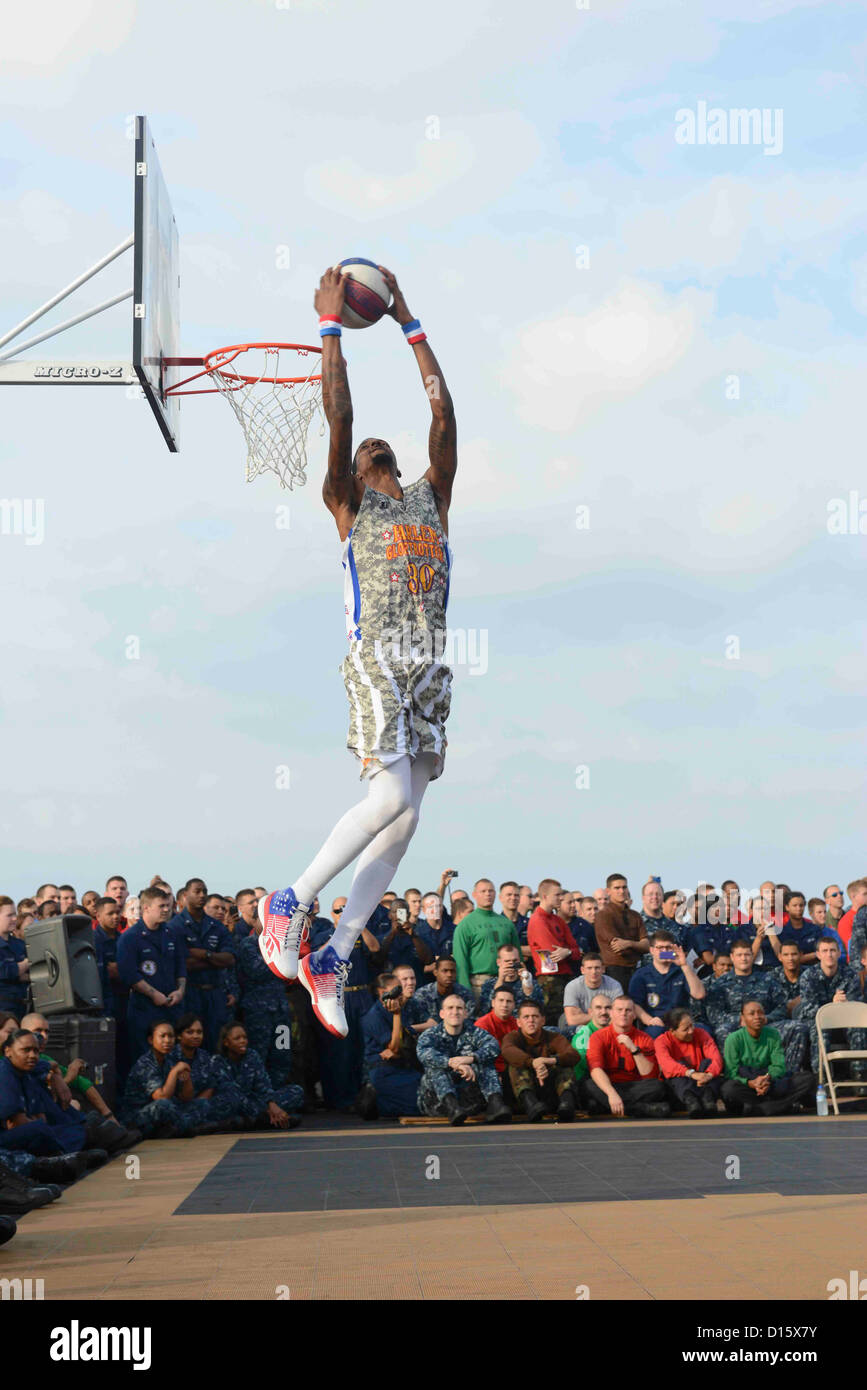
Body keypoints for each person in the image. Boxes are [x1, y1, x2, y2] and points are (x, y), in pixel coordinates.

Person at [256, 265, 458, 1042]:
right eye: (364, 443)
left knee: (405, 825)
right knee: (385, 803)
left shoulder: (428, 498)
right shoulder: (348, 500)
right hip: (375, 656)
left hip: (430, 672)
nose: (374, 441)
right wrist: (332, 325)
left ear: (399, 465)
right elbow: (338, 413)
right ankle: (291, 900)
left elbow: (444, 418)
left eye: (383, 444)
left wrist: (411, 322)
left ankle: (334, 953)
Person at [0, 1030, 110, 1158]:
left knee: (71, 1128)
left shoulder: (26, 1071)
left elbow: (41, 1116)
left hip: (30, 1127)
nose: (32, 1055)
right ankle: (66, 1154)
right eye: (25, 1050)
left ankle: (72, 1148)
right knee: (40, 1129)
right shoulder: (4, 1073)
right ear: (8, 1051)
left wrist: (56, 1077)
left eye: (36, 1051)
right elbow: (15, 1123)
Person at [705, 938, 808, 1071]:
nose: (743, 959)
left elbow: (782, 1006)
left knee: (798, 1028)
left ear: (752, 956)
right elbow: (714, 1014)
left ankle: (786, 1074)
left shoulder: (767, 979)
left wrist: (767, 1018)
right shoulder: (720, 984)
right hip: (738, 1028)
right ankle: (738, 1074)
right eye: (739, 955)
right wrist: (740, 1020)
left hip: (766, 1025)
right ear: (732, 957)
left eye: (747, 955)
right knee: (722, 1032)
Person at [416, 994, 510, 1124]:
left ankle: (496, 1105)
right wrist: (452, 1063)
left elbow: (493, 1046)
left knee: (485, 1064)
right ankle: (452, 1108)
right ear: (442, 1013)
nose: (455, 1012)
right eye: (450, 1008)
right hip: (438, 1104)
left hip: (468, 1101)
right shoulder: (430, 1035)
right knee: (436, 1068)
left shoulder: (473, 1031)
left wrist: (470, 1059)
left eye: (459, 1008)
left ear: (465, 1013)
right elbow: (424, 1053)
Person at [119, 1020, 223, 1138]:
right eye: (162, 1036)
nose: (167, 1041)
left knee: (202, 1103)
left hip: (165, 1113)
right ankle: (188, 1128)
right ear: (151, 1040)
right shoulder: (145, 1063)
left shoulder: (169, 1060)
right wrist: (174, 1072)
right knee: (164, 1105)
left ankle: (176, 1129)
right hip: (139, 1116)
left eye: (171, 1036)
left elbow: (186, 1097)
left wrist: (186, 1078)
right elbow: (162, 1097)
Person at [117, 886, 186, 1062]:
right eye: (161, 906)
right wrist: (153, 994)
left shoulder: (171, 934)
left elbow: (181, 967)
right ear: (146, 908)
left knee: (173, 1057)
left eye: (167, 906)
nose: (166, 910)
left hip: (172, 1006)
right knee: (144, 1057)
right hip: (144, 1008)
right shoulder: (130, 937)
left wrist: (180, 991)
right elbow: (128, 974)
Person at [168, 878, 237, 1052]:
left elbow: (229, 959)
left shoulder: (216, 926)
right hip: (190, 993)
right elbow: (183, 963)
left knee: (216, 1044)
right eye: (197, 891)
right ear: (185, 895)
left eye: (204, 891)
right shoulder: (175, 927)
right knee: (188, 1043)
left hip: (214, 994)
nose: (202, 895)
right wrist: (214, 960)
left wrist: (204, 954)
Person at [721, 1001, 815, 1117]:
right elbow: (731, 1073)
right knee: (728, 1089)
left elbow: (779, 1067)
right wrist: (751, 1083)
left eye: (760, 1013)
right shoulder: (733, 1039)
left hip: (769, 1082)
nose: (757, 1017)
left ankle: (764, 1108)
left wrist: (766, 1079)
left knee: (807, 1078)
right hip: (748, 1083)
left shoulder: (773, 1034)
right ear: (743, 1018)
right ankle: (778, 1106)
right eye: (752, 1014)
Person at [584, 996, 670, 1118]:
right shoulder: (598, 1037)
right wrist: (612, 1094)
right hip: (610, 1084)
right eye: (619, 1010)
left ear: (634, 1015)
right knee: (589, 1084)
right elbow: (595, 1069)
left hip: (635, 1085)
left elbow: (650, 1075)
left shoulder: (644, 1038)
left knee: (658, 1086)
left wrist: (634, 1049)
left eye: (628, 1010)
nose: (623, 1014)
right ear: (611, 1013)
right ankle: (640, 1109)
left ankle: (605, 1107)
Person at [236, 917, 295, 1088]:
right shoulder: (248, 944)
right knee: (258, 1055)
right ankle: (261, 1101)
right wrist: (281, 961)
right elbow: (257, 970)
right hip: (258, 1012)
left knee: (282, 1055)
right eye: (265, 919)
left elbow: (291, 970)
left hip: (281, 1012)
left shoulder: (283, 944)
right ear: (255, 921)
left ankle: (279, 1100)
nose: (271, 924)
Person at [210, 1023, 304, 1130]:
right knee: (231, 1100)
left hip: (254, 1102)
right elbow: (231, 1091)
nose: (243, 1041)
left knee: (296, 1091)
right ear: (226, 1042)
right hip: (233, 1104)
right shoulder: (217, 1061)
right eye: (237, 1038)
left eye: (244, 1037)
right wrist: (268, 1109)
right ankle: (269, 1119)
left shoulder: (251, 1055)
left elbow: (263, 1084)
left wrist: (272, 1104)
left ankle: (261, 1119)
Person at [798, 938, 867, 1080]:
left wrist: (846, 1004)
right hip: (817, 1020)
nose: (829, 954)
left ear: (838, 953)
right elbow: (809, 1008)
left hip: (845, 1020)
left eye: (832, 950)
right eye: (825, 951)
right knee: (818, 1031)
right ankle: (823, 1078)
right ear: (818, 954)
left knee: (858, 1029)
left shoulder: (849, 975)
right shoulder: (808, 976)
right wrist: (832, 1004)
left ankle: (859, 1075)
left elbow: (856, 1005)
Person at [500, 1000, 579, 1122]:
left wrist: (549, 1061)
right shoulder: (512, 1037)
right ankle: (530, 1104)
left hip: (549, 1092)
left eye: (535, 1016)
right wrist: (533, 1063)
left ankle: (567, 1105)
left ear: (543, 1020)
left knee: (564, 1064)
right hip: (523, 1097)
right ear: (519, 1022)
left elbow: (573, 1055)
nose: (531, 1020)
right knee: (516, 1065)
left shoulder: (554, 1037)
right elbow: (507, 1051)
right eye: (526, 1017)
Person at [357, 973, 422, 1119]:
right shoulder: (373, 1016)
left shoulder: (397, 1008)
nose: (401, 992)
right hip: (384, 1070)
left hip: (402, 1066)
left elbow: (406, 1039)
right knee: (419, 1102)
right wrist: (397, 1015)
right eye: (396, 989)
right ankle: (373, 1101)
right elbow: (395, 1048)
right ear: (382, 992)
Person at [627, 933, 705, 1038]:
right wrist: (649, 1020)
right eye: (660, 948)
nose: (665, 951)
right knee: (654, 1033)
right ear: (652, 950)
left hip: (682, 1021)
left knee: (705, 1031)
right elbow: (635, 1004)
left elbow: (699, 994)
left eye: (668, 947)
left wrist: (684, 965)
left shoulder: (682, 971)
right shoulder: (641, 975)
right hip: (657, 1022)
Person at [452, 879, 520, 998]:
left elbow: (518, 955)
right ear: (474, 895)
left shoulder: (507, 923)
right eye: (483, 891)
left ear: (496, 895)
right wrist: (464, 990)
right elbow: (460, 961)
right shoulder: (465, 925)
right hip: (479, 983)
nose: (488, 894)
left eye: (491, 891)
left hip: (507, 980)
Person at [527, 878, 580, 1023]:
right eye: (557, 895)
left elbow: (576, 950)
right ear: (545, 896)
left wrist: (567, 952)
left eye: (561, 894)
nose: (561, 898)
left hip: (566, 977)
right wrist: (568, 951)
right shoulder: (538, 920)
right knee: (554, 1020)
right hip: (549, 980)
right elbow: (553, 952)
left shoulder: (558, 920)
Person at [92, 894, 132, 1088]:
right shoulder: (93, 941)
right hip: (105, 1003)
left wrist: (121, 970)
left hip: (126, 1002)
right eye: (110, 913)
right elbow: (101, 974)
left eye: (117, 913)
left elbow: (129, 970)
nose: (115, 917)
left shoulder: (125, 939)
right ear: (98, 916)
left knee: (126, 1050)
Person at [653, 1008, 723, 1118]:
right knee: (677, 1068)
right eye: (685, 1029)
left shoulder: (701, 1034)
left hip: (703, 1082)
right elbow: (667, 1064)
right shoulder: (661, 1041)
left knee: (708, 1063)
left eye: (692, 1026)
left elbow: (716, 1058)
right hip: (681, 1088)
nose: (691, 1031)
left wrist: (709, 1075)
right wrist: (691, 1073)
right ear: (672, 1031)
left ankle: (708, 1100)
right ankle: (692, 1102)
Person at [593, 874, 650, 989]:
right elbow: (618, 948)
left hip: (637, 970)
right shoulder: (603, 915)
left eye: (624, 887)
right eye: (617, 888)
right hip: (614, 971)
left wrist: (629, 944)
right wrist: (638, 947)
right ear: (608, 891)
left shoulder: (635, 915)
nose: (621, 891)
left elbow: (647, 946)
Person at [406, 955, 475, 1031]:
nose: (449, 975)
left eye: (452, 971)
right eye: (445, 971)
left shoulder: (465, 994)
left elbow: (468, 1023)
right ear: (435, 972)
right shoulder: (422, 995)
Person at [376, 896, 432, 985]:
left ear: (408, 915)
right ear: (389, 915)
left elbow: (428, 960)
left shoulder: (420, 938)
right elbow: (378, 959)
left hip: (414, 986)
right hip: (391, 987)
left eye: (402, 912)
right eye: (396, 912)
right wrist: (392, 934)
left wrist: (413, 935)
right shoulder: (381, 939)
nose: (399, 915)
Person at [562, 952, 623, 1031]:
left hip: (606, 1026)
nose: (594, 972)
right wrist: (604, 1015)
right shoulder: (572, 986)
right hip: (581, 1028)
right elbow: (572, 1020)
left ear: (603, 969)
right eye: (589, 968)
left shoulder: (614, 985)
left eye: (597, 968)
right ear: (582, 970)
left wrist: (585, 1016)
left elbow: (619, 1015)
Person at [477, 944, 543, 1016]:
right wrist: (500, 980)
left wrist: (526, 983)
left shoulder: (531, 983)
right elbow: (485, 1010)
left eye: (515, 961)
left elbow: (538, 1010)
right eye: (507, 961)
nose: (512, 965)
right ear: (498, 962)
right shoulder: (489, 984)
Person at [570, 994, 613, 1098]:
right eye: (598, 1008)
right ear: (590, 1012)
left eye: (607, 1008)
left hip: (610, 1079)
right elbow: (588, 1067)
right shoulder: (583, 1035)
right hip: (587, 1083)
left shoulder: (615, 1032)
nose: (603, 1012)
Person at [765, 892, 821, 967]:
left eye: (801, 905)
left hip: (814, 969)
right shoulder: (782, 932)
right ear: (787, 907)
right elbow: (781, 957)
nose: (798, 909)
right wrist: (812, 955)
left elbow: (822, 952)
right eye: (795, 906)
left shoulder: (814, 929)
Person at [473, 987, 519, 1074]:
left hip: (513, 1067)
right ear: (493, 1003)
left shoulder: (517, 1023)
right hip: (490, 1069)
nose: (505, 1005)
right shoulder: (482, 1025)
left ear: (514, 1005)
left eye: (509, 1001)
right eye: (501, 1000)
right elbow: (480, 1056)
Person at [0, 896, 29, 1016]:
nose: (14, 918)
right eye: (9, 915)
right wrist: (28, 962)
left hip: (23, 1007)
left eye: (15, 914)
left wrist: (17, 971)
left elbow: (31, 975)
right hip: (3, 1010)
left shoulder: (20, 944)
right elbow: (5, 971)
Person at [415, 891, 453, 971]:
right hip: (426, 980)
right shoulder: (417, 934)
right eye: (430, 907)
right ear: (423, 909)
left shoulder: (454, 930)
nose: (435, 910)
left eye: (438, 906)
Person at [499, 880, 530, 959]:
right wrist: (524, 950)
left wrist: (512, 948)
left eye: (516, 895)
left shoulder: (530, 923)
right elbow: (497, 950)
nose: (513, 898)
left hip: (529, 969)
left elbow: (538, 949)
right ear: (500, 898)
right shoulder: (495, 924)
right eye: (509, 895)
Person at [774, 942, 804, 1015]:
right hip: (778, 1020)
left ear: (801, 955)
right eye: (786, 955)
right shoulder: (771, 977)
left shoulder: (811, 974)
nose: (790, 958)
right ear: (780, 957)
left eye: (794, 954)